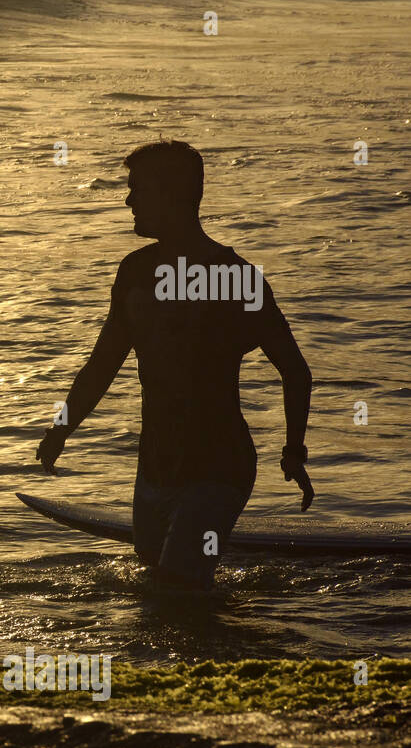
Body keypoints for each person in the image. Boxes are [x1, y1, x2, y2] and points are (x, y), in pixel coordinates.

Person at [36, 141, 314, 590]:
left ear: (172, 194)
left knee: (177, 592)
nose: (128, 201)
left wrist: (294, 452)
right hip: (155, 467)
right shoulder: (135, 272)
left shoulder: (235, 278)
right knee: (156, 594)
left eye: (137, 190)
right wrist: (61, 429)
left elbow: (295, 371)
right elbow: (102, 365)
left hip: (218, 468)